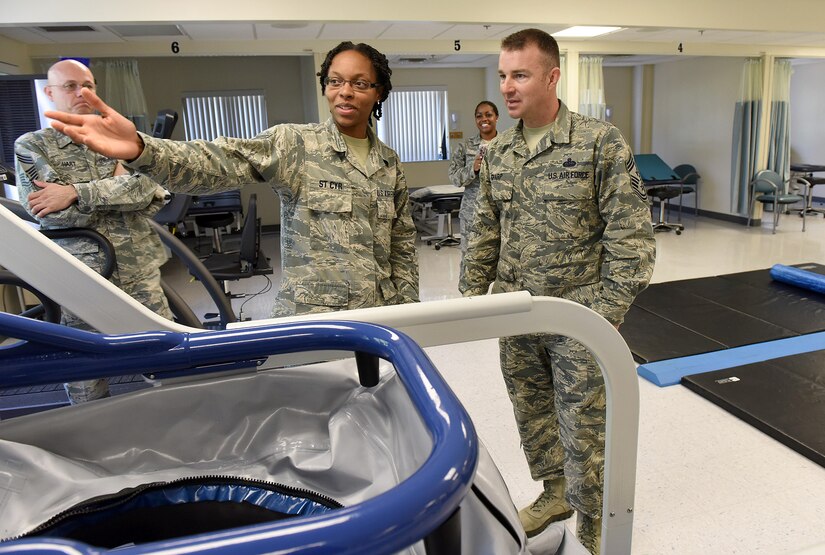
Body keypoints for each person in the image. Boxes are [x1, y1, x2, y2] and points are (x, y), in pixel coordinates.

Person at [458, 29, 655, 554]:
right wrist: (471, 304)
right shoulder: (498, 152)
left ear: (552, 76)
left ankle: (595, 528)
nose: (507, 87)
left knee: (586, 428)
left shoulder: (598, 142)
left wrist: (605, 313)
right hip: (516, 315)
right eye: (502, 75)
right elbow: (484, 231)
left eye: (519, 74)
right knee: (534, 414)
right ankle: (555, 492)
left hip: (578, 318)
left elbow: (632, 238)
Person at [45, 42, 420, 317]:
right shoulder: (295, 144)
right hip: (314, 316)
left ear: (379, 92)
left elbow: (401, 245)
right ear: (325, 87)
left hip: (382, 314)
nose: (345, 91)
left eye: (359, 83)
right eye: (335, 81)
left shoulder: (388, 162)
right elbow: (219, 161)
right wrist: (142, 149)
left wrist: (409, 312)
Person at [14, 59, 173, 405]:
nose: (81, 92)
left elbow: (150, 194)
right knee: (85, 373)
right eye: (70, 86)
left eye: (87, 85)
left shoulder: (121, 136)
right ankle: (90, 440)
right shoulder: (32, 147)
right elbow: (50, 213)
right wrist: (115, 186)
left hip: (138, 270)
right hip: (81, 276)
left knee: (167, 363)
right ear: (50, 93)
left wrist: (75, 191)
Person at [448, 100, 499, 272]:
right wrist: (473, 169)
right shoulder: (465, 147)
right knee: (470, 261)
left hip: (501, 214)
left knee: (501, 262)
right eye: (479, 116)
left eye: (488, 115)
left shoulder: (507, 145)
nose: (484, 119)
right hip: (472, 215)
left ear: (496, 117)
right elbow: (454, 178)